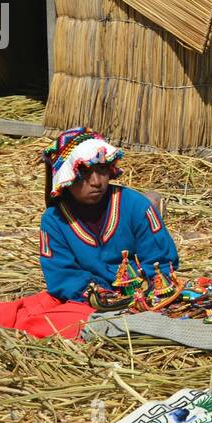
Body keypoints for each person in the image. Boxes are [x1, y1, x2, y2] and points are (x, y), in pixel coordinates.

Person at [39, 127, 178, 301]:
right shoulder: (54, 221)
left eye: (102, 169)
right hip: (89, 301)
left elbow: (161, 260)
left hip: (144, 295)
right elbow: (62, 275)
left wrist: (142, 291)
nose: (96, 182)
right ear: (66, 178)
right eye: (85, 172)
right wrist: (100, 295)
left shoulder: (135, 205)